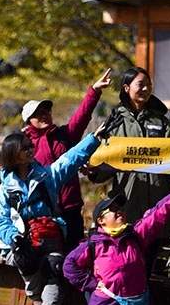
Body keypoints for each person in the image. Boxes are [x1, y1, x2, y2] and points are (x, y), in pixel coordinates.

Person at [0, 126, 101, 305]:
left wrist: (94, 139)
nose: (31, 150)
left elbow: (70, 160)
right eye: (24, 148)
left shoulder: (45, 176)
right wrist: (15, 238)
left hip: (49, 238)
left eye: (30, 146)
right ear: (13, 154)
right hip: (21, 243)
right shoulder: (5, 190)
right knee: (29, 266)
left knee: (54, 269)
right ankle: (37, 301)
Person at [21, 68, 113, 248]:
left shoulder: (64, 135)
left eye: (46, 111)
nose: (45, 115)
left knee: (74, 256)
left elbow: (82, 116)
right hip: (43, 213)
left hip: (71, 208)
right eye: (38, 114)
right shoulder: (24, 146)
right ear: (28, 121)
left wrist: (94, 91)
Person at [91, 67, 170, 218]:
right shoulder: (115, 122)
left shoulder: (161, 121)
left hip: (158, 204)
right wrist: (93, 169)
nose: (146, 89)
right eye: (141, 84)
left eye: (149, 85)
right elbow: (103, 166)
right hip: (126, 205)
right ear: (126, 88)